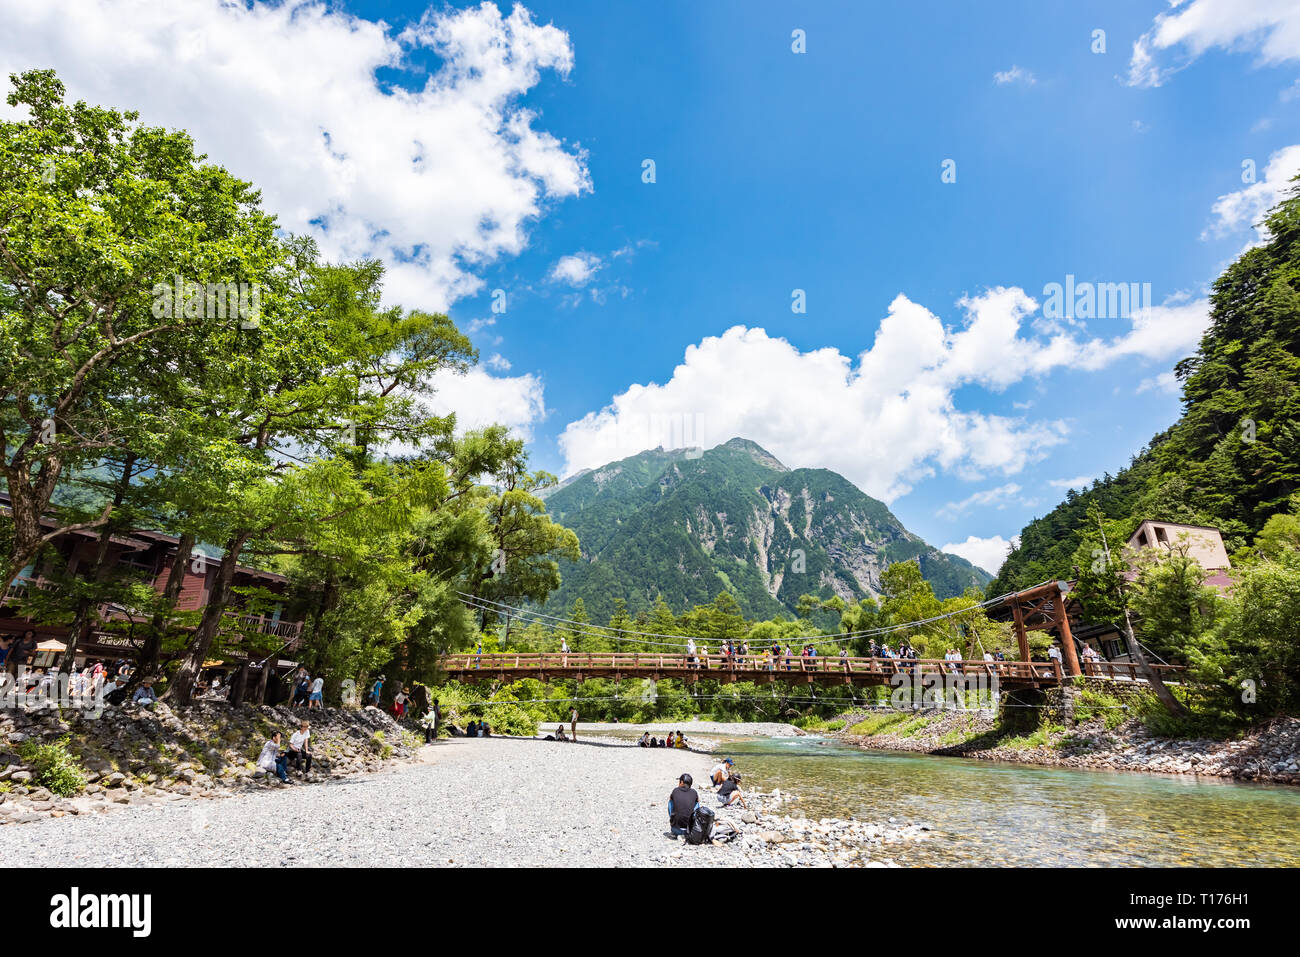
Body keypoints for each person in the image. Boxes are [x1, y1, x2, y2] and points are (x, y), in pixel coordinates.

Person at [668, 773, 699, 838]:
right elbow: (697, 802)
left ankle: (674, 822)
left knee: (671, 801)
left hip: (675, 829)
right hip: (690, 830)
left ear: (681, 782)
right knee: (696, 803)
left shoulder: (675, 790)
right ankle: (692, 823)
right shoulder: (694, 792)